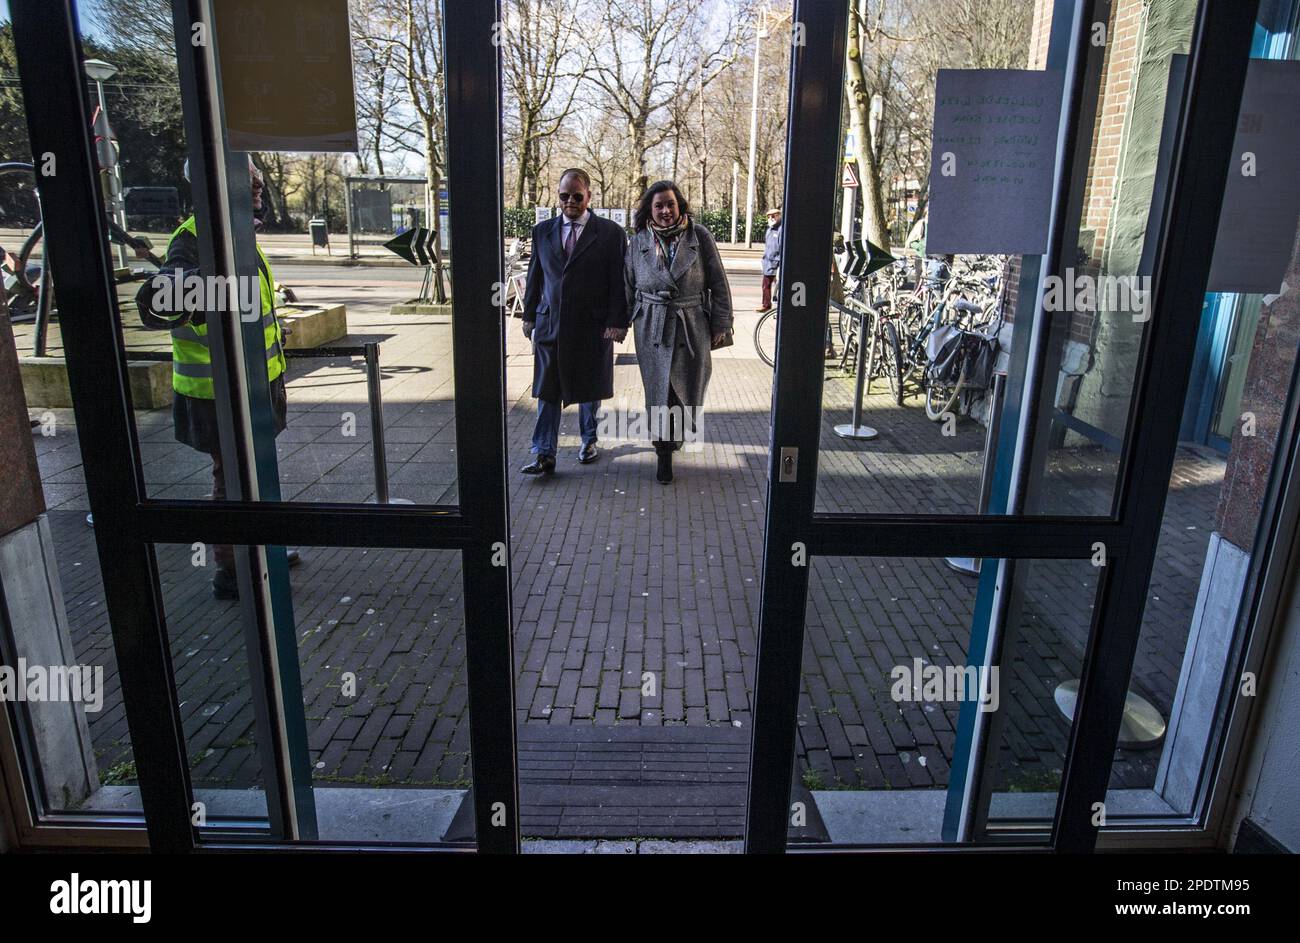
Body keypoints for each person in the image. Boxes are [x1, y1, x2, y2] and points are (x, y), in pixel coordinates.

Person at [136, 156, 298, 599]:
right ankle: (232, 569)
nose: (260, 192)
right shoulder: (194, 243)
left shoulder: (238, 239)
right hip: (219, 395)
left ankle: (260, 548)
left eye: (261, 185)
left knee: (252, 475)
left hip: (255, 387)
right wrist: (199, 286)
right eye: (252, 186)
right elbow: (159, 301)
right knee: (232, 482)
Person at [518, 168, 629, 475]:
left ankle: (589, 441)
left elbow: (619, 283)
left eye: (577, 196)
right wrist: (529, 316)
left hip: (592, 326)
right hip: (551, 325)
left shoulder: (610, 233)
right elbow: (534, 278)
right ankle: (543, 452)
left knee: (589, 388)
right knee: (547, 389)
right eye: (564, 196)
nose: (570, 202)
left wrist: (617, 321)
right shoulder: (542, 231)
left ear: (588, 196)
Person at [623, 180, 733, 484]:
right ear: (650, 209)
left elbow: (719, 283)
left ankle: (677, 434)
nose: (665, 211)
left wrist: (721, 323)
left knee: (688, 388)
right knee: (660, 391)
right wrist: (621, 322)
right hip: (652, 326)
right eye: (658, 205)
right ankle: (663, 453)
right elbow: (627, 286)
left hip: (691, 323)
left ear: (679, 205)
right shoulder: (639, 241)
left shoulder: (700, 236)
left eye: (670, 204)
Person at [757, 207, 782, 313]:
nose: (771, 218)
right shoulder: (769, 229)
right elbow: (768, 246)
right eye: (769, 216)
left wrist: (779, 262)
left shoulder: (781, 229)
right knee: (766, 285)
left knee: (777, 285)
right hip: (768, 262)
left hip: (776, 262)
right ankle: (766, 304)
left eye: (774, 216)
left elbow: (781, 247)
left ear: (778, 216)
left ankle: (770, 304)